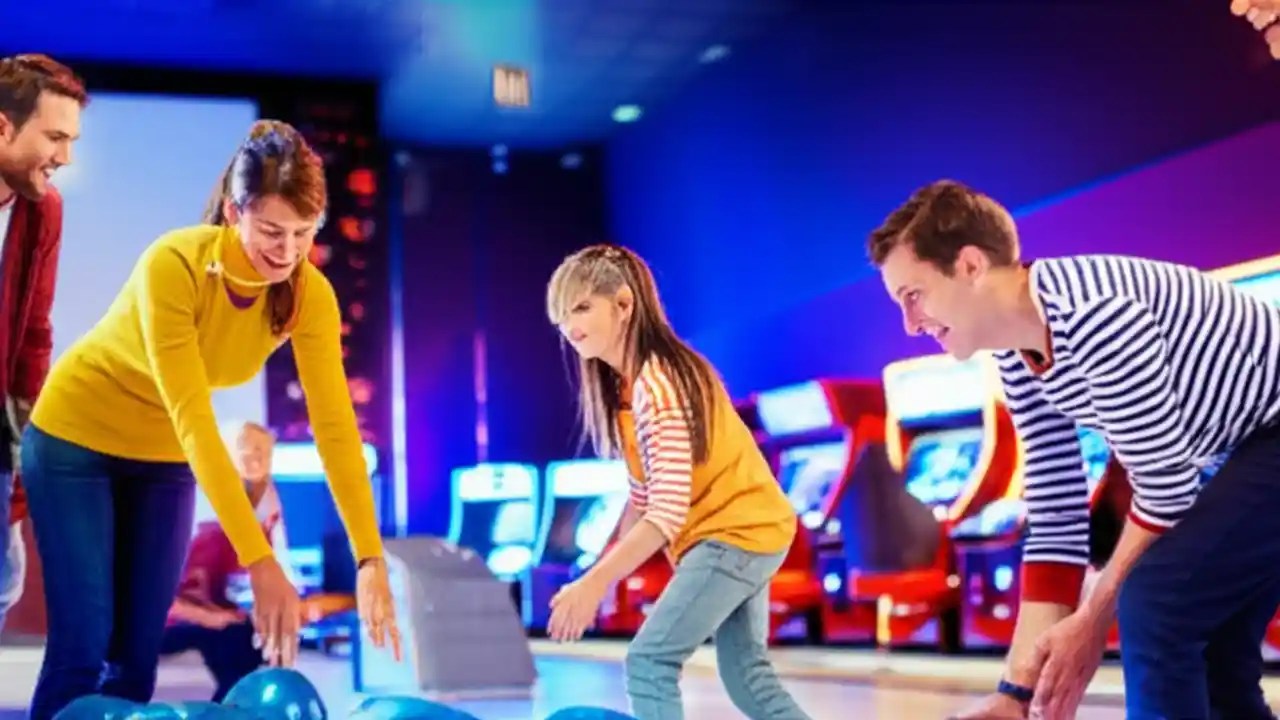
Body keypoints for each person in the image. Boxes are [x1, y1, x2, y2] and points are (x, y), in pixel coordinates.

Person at [20, 119, 400, 720]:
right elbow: (193, 417)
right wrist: (259, 558)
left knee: (137, 656)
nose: (288, 251)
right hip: (74, 440)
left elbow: (335, 431)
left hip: (163, 459)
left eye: (304, 233)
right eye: (271, 230)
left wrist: (370, 557)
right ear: (233, 210)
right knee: (83, 648)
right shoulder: (174, 264)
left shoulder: (310, 295)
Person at [866, 179, 1280, 720]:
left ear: (969, 266)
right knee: (1212, 653)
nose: (910, 323)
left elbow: (1167, 489)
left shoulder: (1093, 315)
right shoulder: (1018, 358)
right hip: (1244, 455)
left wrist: (1091, 621)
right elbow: (1058, 515)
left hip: (1267, 436)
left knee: (1154, 605)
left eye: (913, 296)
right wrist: (1015, 696)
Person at [543, 244, 812, 720]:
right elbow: (644, 498)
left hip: (733, 535)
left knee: (649, 662)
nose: (570, 325)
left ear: (624, 305)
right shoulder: (630, 387)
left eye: (581, 307)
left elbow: (664, 514)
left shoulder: (658, 386)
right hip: (750, 529)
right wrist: (605, 576)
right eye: (562, 316)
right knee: (748, 676)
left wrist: (594, 584)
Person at [0, 53, 85, 634]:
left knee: (6, 579)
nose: (65, 157)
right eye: (54, 137)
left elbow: (35, 333)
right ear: (3, 126)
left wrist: (25, 446)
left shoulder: (43, 211)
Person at [161, 422, 292, 702]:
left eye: (266, 453)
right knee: (235, 641)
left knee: (252, 638)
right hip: (162, 619)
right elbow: (155, 597)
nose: (261, 461)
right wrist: (212, 618)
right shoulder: (197, 510)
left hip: (208, 613)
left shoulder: (258, 517)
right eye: (253, 451)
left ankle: (233, 704)